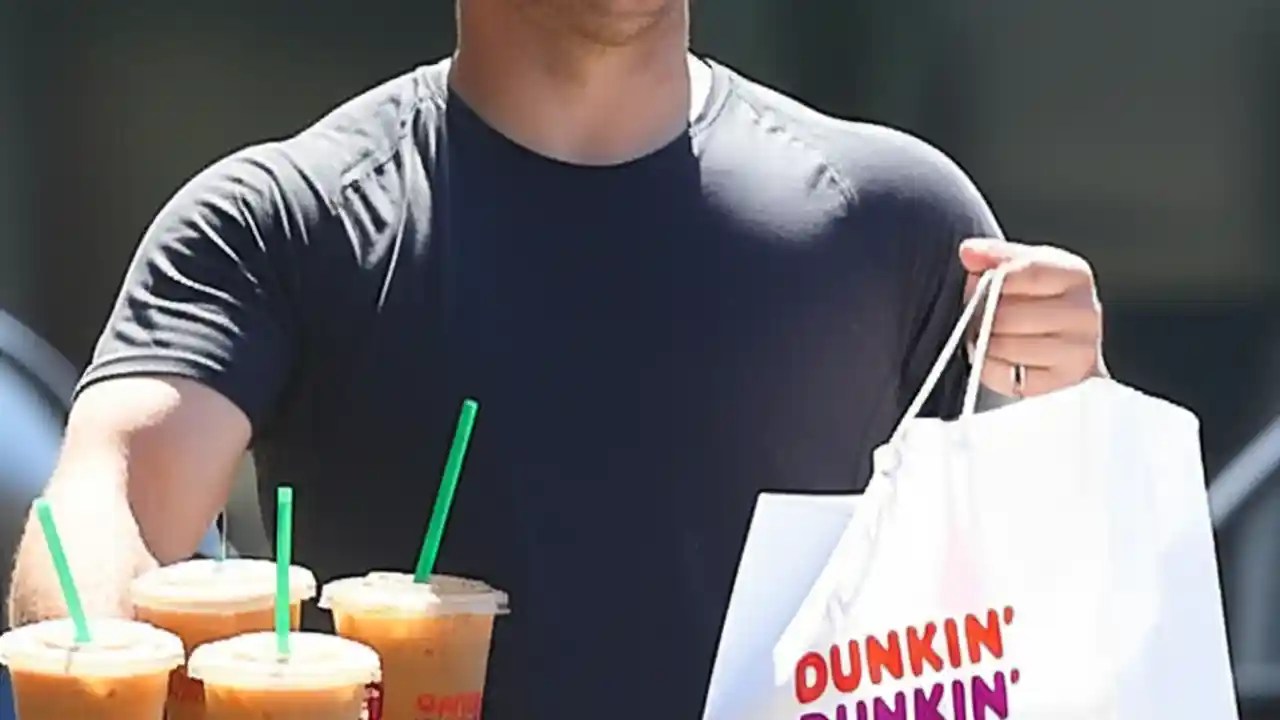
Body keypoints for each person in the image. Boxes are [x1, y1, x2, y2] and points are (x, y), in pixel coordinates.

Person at [6, 1, 1105, 717]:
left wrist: (1075, 404)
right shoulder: (285, 220)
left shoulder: (899, 225)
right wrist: (123, 682)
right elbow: (104, 503)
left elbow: (1045, 616)